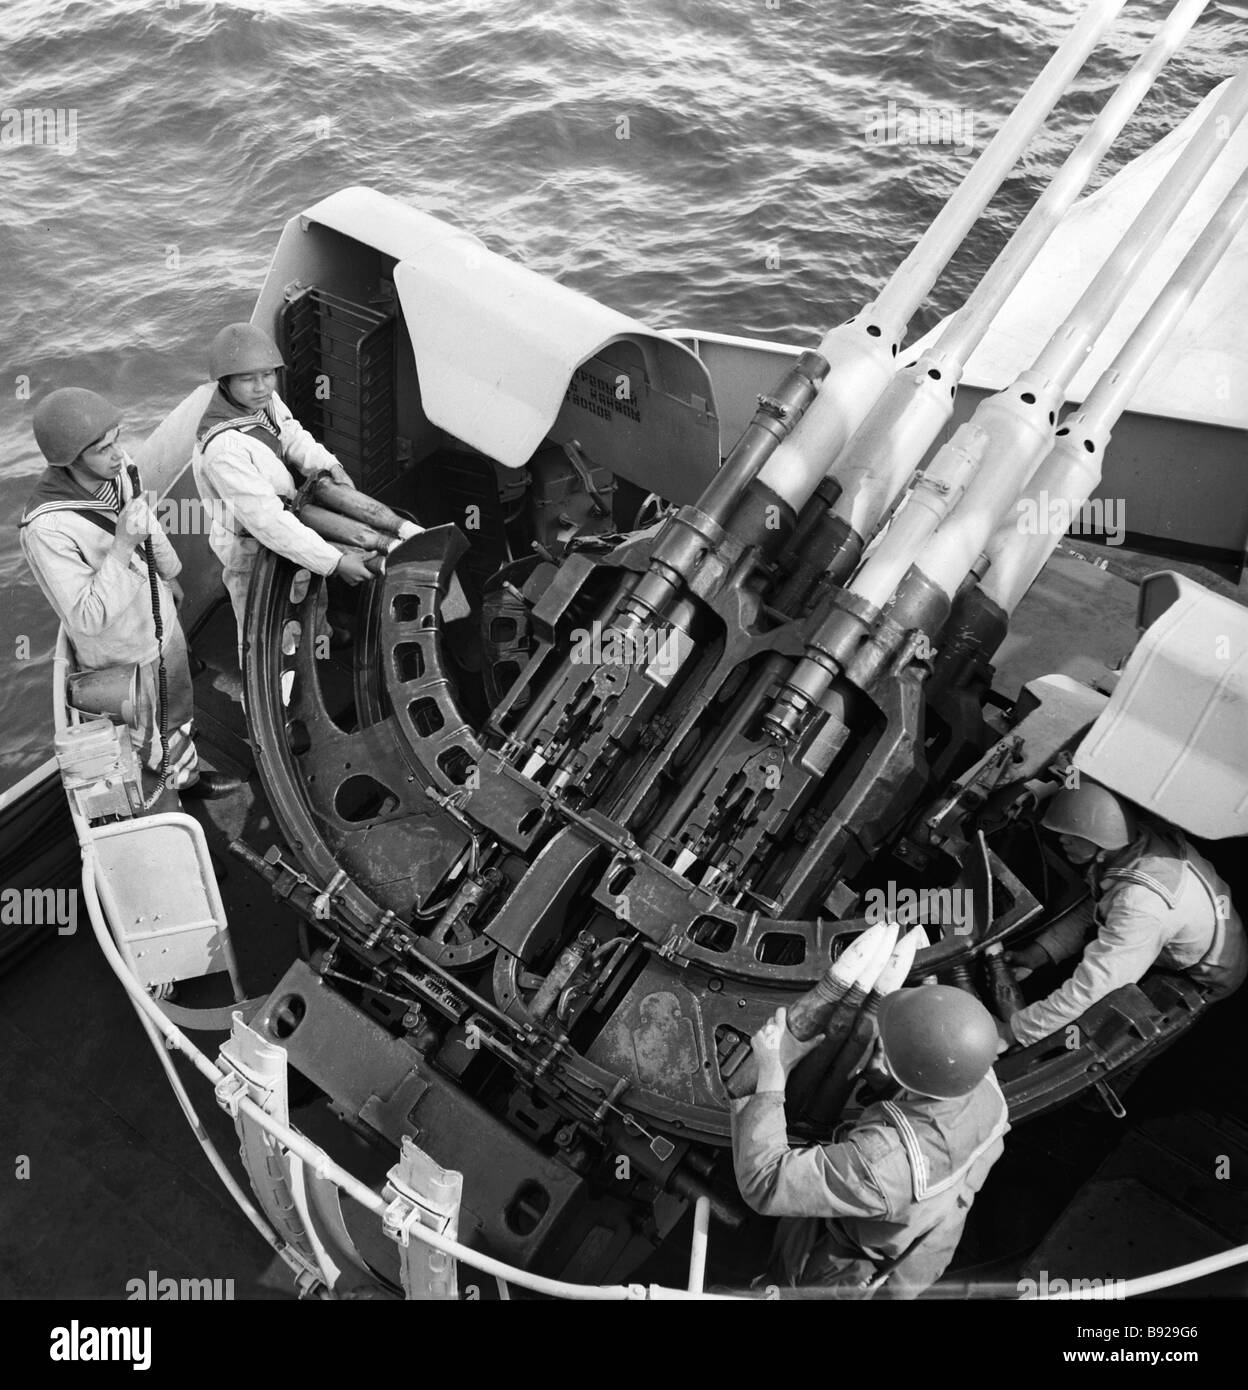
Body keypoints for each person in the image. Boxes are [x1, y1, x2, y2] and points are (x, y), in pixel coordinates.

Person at [20, 387, 235, 798]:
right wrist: (121, 546)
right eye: (104, 448)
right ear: (71, 460)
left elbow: (146, 523)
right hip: (123, 650)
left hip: (158, 621)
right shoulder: (47, 530)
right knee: (150, 731)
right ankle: (183, 783)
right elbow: (85, 615)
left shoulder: (118, 471)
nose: (119, 453)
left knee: (179, 700)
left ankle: (183, 750)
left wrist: (171, 574)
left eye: (117, 438)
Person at [731, 985, 1009, 1298]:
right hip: (927, 1244)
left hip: (844, 1266)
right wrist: (892, 1083)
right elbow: (943, 1125)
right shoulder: (979, 1079)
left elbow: (764, 1182)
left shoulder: (882, 1163)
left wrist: (772, 1068)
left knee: (787, 1284)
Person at [1002, 780, 1248, 1048]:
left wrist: (1014, 1031)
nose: (1062, 839)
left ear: (1101, 842)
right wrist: (1040, 953)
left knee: (1121, 1044)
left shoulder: (1141, 904)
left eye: (1072, 835)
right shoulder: (1126, 841)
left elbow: (1096, 986)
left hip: (1204, 976)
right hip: (1188, 925)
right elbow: (1098, 904)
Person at [191, 322, 373, 655]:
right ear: (225, 383)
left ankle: (322, 639)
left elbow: (290, 432)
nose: (261, 386)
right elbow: (268, 523)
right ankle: (275, 693)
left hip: (289, 526)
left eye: (268, 375)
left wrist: (328, 465)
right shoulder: (224, 450)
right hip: (253, 549)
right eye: (248, 379)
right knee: (267, 633)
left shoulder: (262, 401)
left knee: (307, 593)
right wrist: (335, 562)